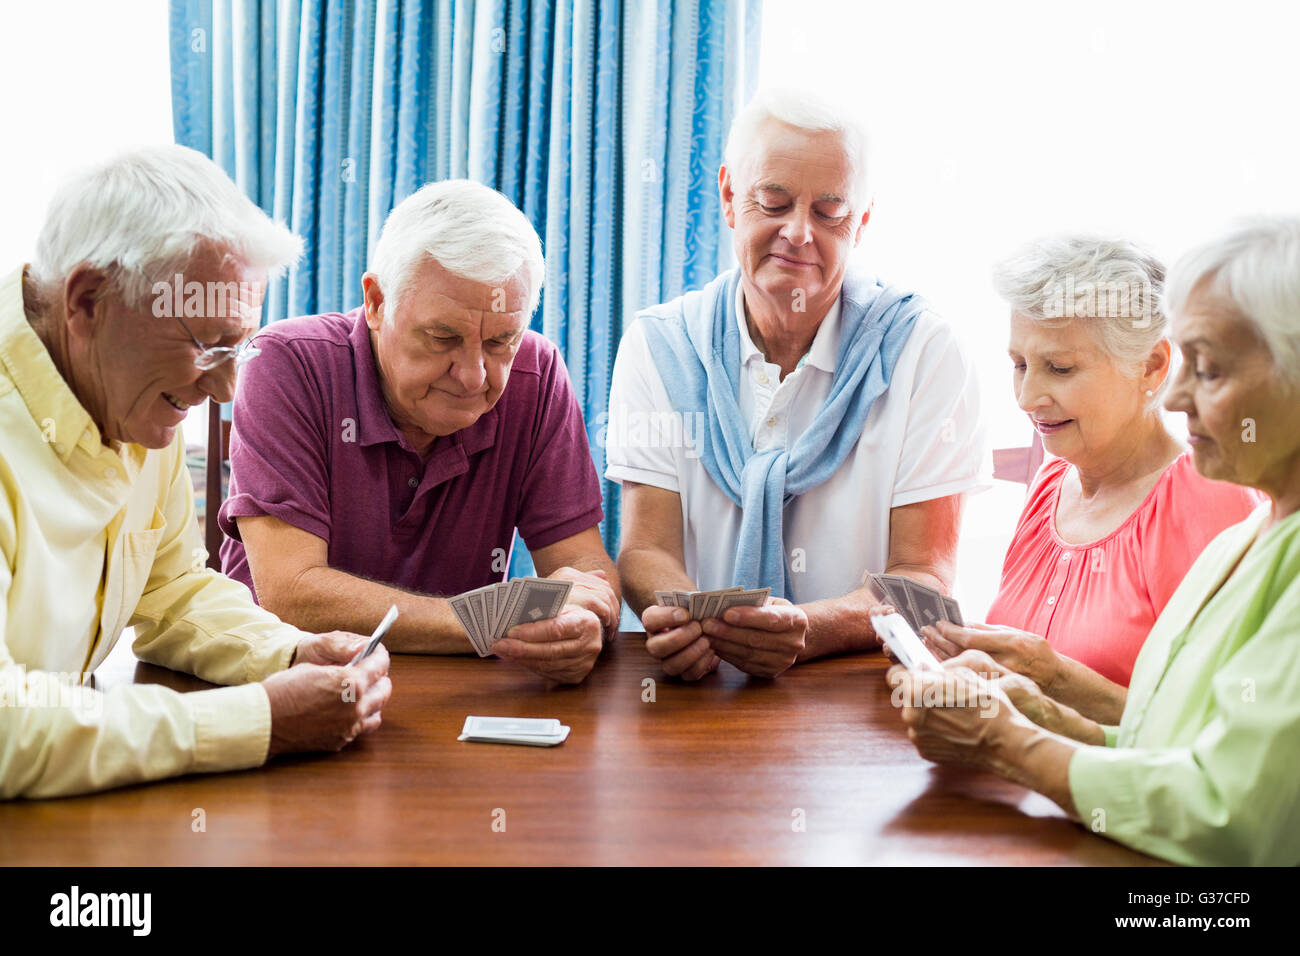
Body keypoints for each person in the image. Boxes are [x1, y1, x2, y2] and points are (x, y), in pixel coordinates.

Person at [885, 218, 1300, 865]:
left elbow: (1228, 815)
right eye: (1019, 364)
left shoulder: (1225, 511)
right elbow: (1169, 742)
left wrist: (1007, 741)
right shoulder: (1257, 531)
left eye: (1210, 370)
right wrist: (1036, 709)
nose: (1181, 397)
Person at [1, 145, 392, 799]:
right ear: (89, 300)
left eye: (240, 345)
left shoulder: (124, 392)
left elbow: (171, 588)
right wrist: (261, 720)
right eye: (209, 344)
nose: (229, 385)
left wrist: (290, 651)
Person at [607, 87, 985, 680]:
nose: (799, 233)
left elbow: (925, 578)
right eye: (774, 201)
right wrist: (679, 615)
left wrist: (807, 631)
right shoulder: (659, 345)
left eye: (829, 212)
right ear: (731, 196)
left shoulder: (927, 352)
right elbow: (645, 549)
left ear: (861, 221)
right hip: (697, 690)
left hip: (860, 696)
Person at [219, 180, 619, 685]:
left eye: (500, 341)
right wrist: (492, 617)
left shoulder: (535, 376)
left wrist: (582, 617)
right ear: (377, 302)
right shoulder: (283, 362)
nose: (474, 375)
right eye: (442, 337)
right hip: (287, 685)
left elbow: (582, 562)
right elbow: (292, 594)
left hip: (458, 695)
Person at [920, 238, 1261, 724]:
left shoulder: (1205, 497)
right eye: (1019, 364)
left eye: (1060, 368)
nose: (1027, 397)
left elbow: (1221, 732)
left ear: (1152, 365)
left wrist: (1055, 680)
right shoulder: (1051, 481)